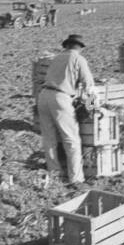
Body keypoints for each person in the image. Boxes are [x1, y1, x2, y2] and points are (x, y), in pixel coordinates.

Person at [37, 34, 98, 186]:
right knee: (71, 140)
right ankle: (76, 178)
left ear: (67, 45)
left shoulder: (57, 58)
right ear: (79, 48)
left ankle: (55, 173)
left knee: (49, 138)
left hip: (43, 96)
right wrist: (91, 107)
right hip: (60, 98)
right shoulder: (78, 59)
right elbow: (89, 85)